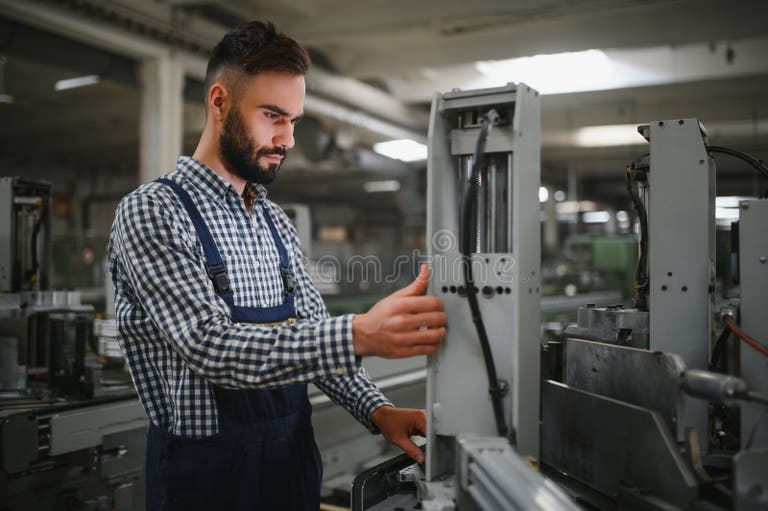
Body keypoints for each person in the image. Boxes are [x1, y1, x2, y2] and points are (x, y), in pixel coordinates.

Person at [107, 20, 446, 511]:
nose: (287, 138)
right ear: (219, 102)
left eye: (294, 120)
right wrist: (358, 335)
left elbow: (311, 334)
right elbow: (210, 347)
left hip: (290, 465)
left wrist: (378, 409)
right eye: (272, 116)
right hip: (207, 479)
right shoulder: (154, 211)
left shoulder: (273, 222)